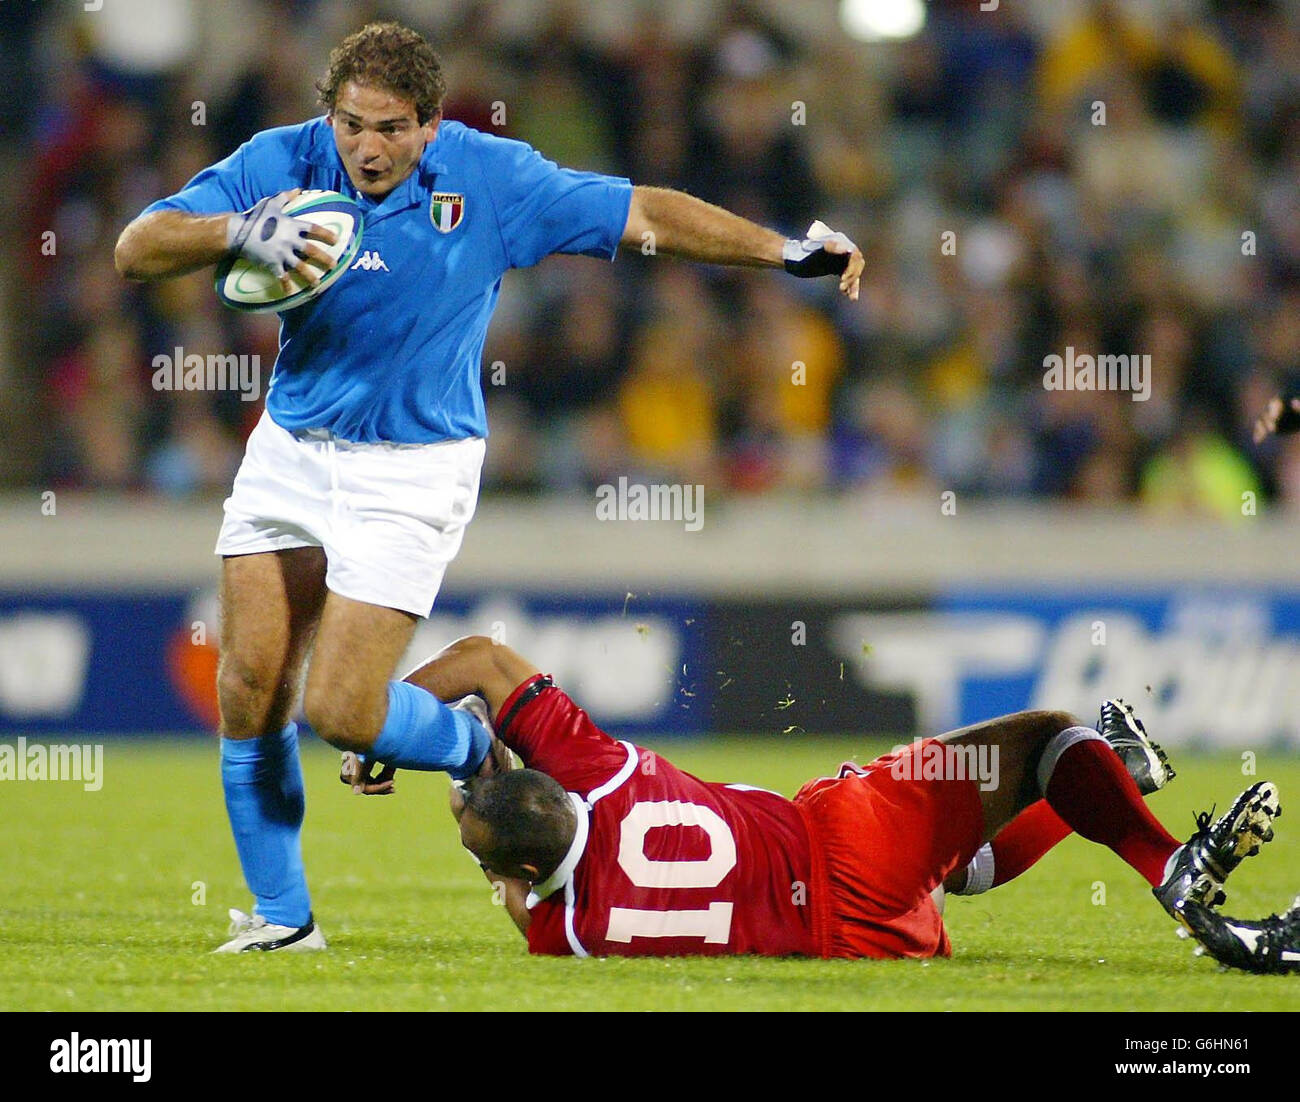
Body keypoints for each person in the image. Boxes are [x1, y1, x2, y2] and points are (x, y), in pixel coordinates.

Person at [113, 21, 864, 953]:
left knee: (343, 712)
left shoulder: (494, 180)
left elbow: (649, 215)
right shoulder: (285, 161)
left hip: (415, 468)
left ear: (431, 126)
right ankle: (283, 918)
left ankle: (470, 741)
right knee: (249, 685)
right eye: (351, 124)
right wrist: (238, 229)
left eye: (390, 128)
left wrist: (789, 253)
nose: (367, 147)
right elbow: (136, 248)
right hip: (291, 451)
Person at [343, 635, 1295, 972]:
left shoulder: (559, 931)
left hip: (863, 940)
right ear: (552, 780)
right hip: (835, 840)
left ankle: (1119, 770)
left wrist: (465, 788)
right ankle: (1172, 864)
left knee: (957, 866)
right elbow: (477, 660)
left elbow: (507, 850)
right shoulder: (602, 772)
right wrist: (381, 728)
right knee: (1047, 740)